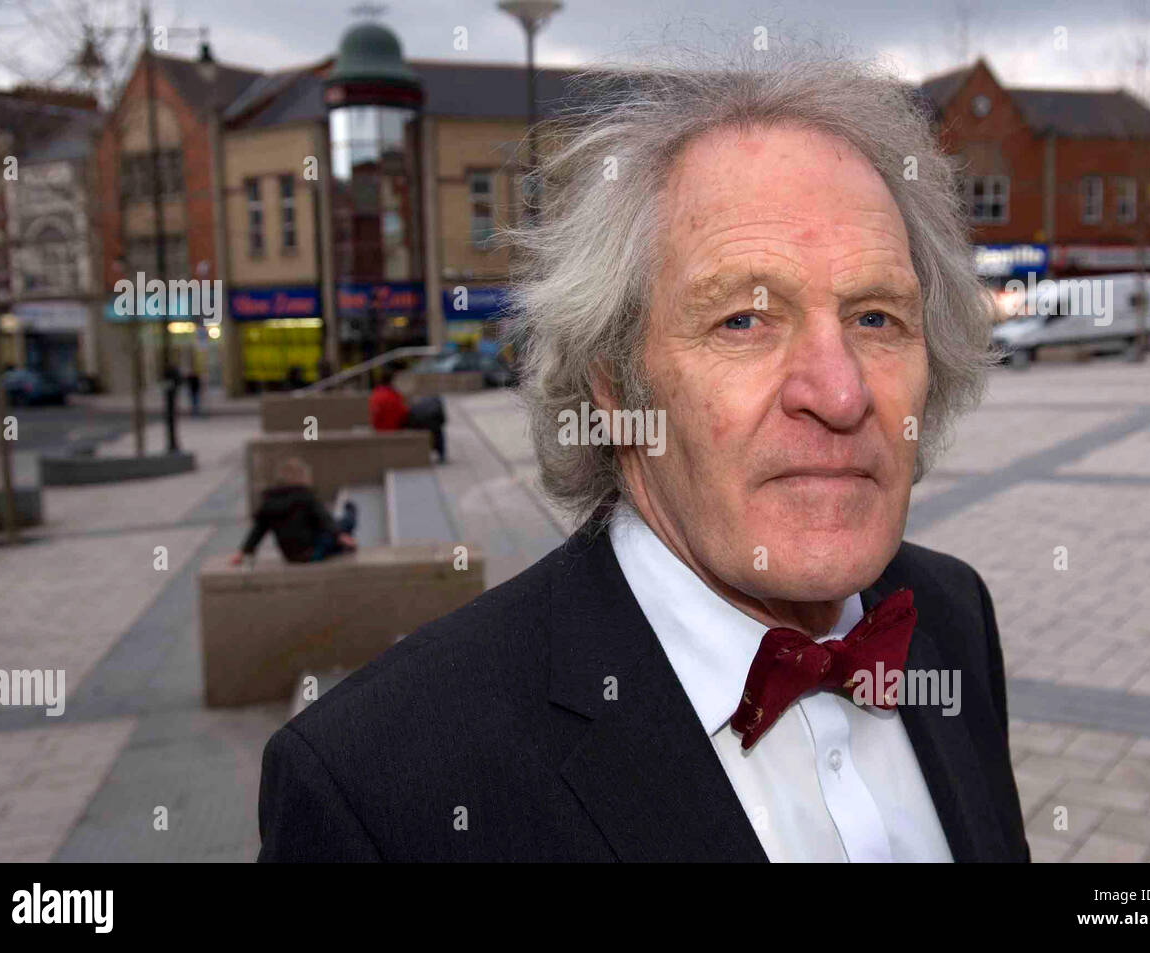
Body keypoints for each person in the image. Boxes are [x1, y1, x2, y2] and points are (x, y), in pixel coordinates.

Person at [259, 50, 1028, 862]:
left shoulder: (951, 616)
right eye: (743, 320)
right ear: (615, 389)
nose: (840, 394)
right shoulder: (379, 789)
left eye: (876, 318)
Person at [232, 457, 356, 566]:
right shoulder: (306, 497)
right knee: (346, 521)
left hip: (290, 557)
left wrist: (242, 552)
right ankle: (349, 506)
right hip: (312, 553)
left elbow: (258, 531)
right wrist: (340, 535)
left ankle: (341, 542)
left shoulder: (269, 503)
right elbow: (324, 519)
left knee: (334, 531)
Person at [369, 367, 447, 462]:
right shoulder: (390, 394)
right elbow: (402, 413)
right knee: (433, 420)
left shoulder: (377, 393)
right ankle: (441, 453)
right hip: (394, 427)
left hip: (384, 427)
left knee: (430, 414)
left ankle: (439, 451)